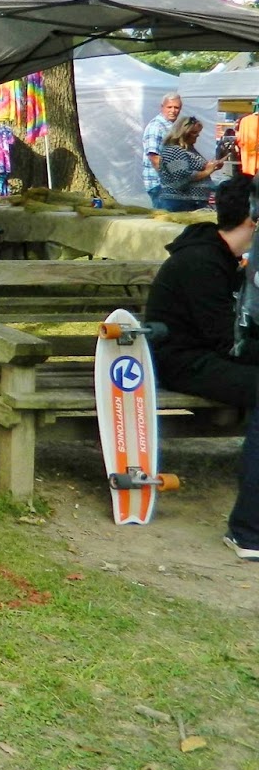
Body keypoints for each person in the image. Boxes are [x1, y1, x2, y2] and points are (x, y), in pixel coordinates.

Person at [143, 174, 259, 560]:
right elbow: (228, 341)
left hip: (208, 355)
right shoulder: (201, 261)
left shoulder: (225, 259)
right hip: (181, 361)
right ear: (252, 221)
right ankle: (248, 530)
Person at [156, 114, 220, 212]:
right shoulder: (174, 150)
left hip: (191, 202)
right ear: (184, 132)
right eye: (194, 132)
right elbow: (181, 178)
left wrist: (210, 166)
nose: (198, 135)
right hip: (180, 203)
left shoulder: (188, 149)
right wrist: (207, 171)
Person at [142, 92, 183, 209]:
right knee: (165, 221)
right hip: (159, 184)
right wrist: (171, 180)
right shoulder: (156, 127)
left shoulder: (173, 126)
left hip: (169, 185)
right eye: (169, 107)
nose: (173, 110)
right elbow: (154, 158)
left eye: (176, 107)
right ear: (162, 107)